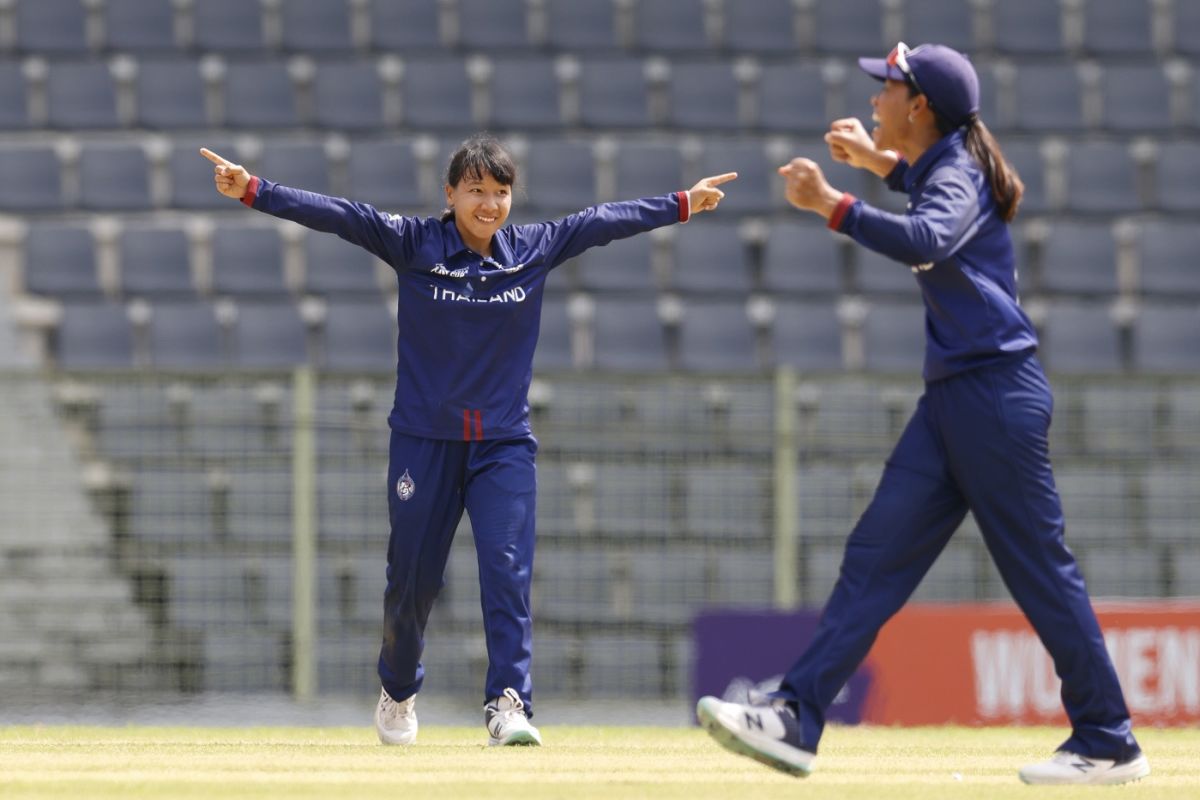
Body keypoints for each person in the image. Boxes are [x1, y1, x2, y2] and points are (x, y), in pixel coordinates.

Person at [695, 43, 1149, 786]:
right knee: (875, 557)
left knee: (1041, 576)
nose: (875, 98)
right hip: (956, 401)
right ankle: (796, 716)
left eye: (887, 89)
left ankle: (1108, 737)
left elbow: (931, 234)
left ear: (921, 108)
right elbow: (923, 183)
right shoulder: (946, 163)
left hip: (995, 399)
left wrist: (832, 204)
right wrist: (875, 163)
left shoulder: (959, 172)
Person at [203, 136, 735, 747]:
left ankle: (508, 703)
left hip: (502, 446)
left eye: (500, 192)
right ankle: (398, 691)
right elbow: (340, 215)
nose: (489, 203)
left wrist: (682, 203)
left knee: (506, 571)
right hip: (424, 443)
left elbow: (602, 222)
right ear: (450, 193)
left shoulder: (531, 249)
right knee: (411, 581)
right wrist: (252, 189)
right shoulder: (414, 242)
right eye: (476, 190)